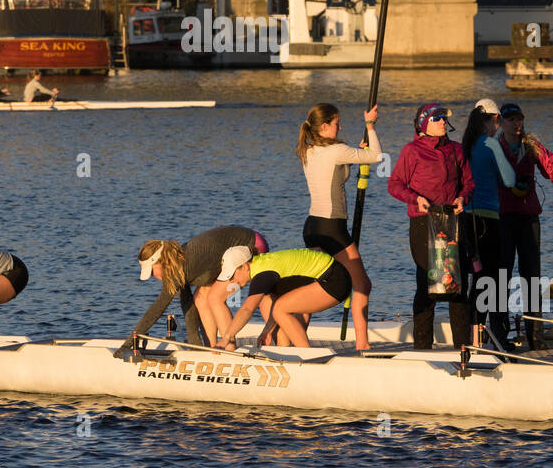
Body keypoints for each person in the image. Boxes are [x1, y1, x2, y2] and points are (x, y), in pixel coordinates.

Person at [388, 102, 475, 349]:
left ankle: (463, 348)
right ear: (425, 123)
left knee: (457, 285)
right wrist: (416, 198)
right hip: (423, 221)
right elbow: (394, 185)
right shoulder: (411, 151)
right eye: (438, 119)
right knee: (428, 282)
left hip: (452, 220)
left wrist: (462, 198)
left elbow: (469, 183)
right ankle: (422, 347)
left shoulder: (456, 150)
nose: (443, 123)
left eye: (445, 119)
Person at [298, 101, 380, 350]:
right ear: (324, 126)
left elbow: (338, 172)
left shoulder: (308, 151)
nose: (340, 126)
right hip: (332, 228)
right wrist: (370, 125)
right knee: (362, 284)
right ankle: (363, 344)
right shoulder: (337, 150)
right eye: (336, 123)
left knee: (313, 285)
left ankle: (297, 339)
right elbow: (377, 156)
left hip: (312, 227)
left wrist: (355, 153)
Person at [496, 102, 553, 349]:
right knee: (501, 277)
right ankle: (499, 333)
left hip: (528, 218)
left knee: (531, 277)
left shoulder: (531, 145)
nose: (516, 124)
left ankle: (535, 335)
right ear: (501, 123)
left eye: (519, 119)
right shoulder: (493, 147)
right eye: (511, 120)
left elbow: (551, 165)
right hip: (502, 219)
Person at [130, 226, 270, 347]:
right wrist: (195, 345)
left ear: (162, 261)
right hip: (225, 254)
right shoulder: (177, 266)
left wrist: (130, 341)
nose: (153, 276)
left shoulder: (185, 265)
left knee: (215, 298)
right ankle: (212, 347)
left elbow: (157, 309)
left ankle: (229, 347)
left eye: (152, 271)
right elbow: (188, 306)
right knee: (200, 300)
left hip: (251, 245)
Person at [214, 246, 352, 350]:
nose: (231, 281)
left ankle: (307, 356)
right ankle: (285, 351)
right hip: (332, 276)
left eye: (232, 275)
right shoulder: (261, 265)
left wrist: (226, 337)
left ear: (244, 266)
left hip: (334, 281)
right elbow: (276, 300)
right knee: (279, 307)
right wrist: (267, 330)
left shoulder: (262, 274)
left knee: (280, 309)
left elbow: (246, 310)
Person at [463, 98, 517, 350]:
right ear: (494, 120)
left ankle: (473, 338)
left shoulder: (463, 145)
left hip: (465, 219)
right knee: (491, 279)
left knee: (476, 277)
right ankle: (495, 339)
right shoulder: (490, 144)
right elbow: (509, 179)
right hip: (489, 219)